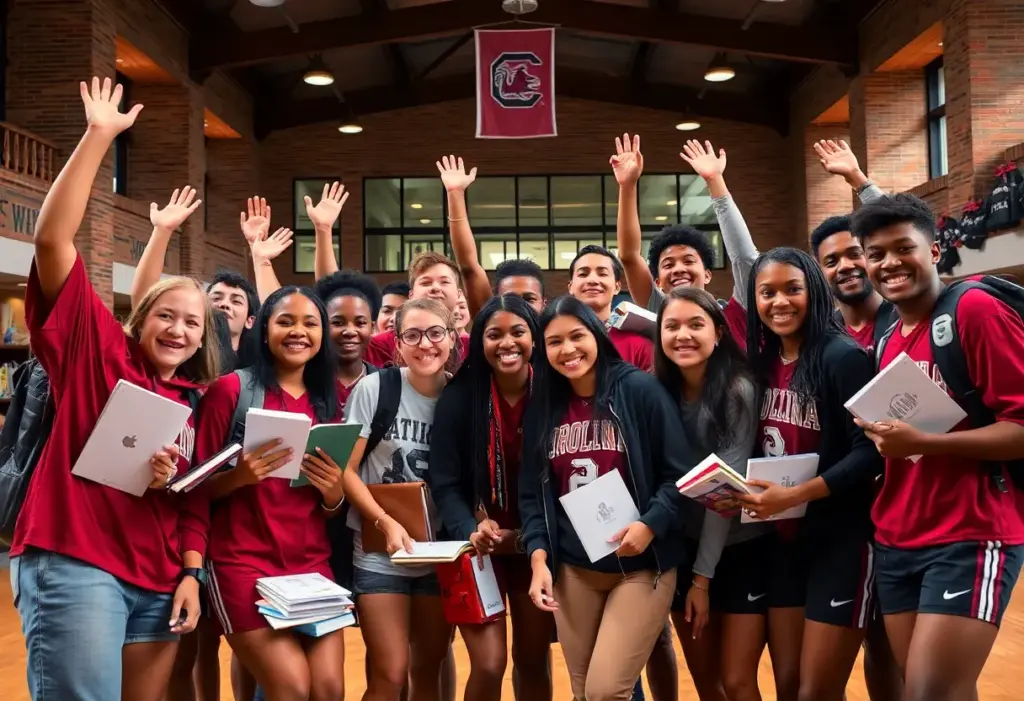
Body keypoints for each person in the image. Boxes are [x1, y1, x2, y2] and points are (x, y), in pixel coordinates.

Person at [10, 76, 218, 701]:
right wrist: (99, 137)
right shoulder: (96, 352)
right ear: (138, 319)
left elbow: (191, 504)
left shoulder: (194, 401)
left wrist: (189, 572)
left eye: (192, 323)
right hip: (76, 558)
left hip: (158, 579)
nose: (178, 330)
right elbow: (51, 241)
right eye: (166, 315)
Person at [851, 193, 1024, 701]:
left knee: (930, 691)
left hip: (971, 533)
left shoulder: (974, 309)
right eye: (876, 254)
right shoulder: (888, 336)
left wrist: (922, 441)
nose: (889, 263)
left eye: (903, 248)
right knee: (932, 691)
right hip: (899, 536)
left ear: (934, 250)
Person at [519, 295, 692, 701]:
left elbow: (680, 476)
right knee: (583, 694)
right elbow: (532, 494)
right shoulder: (543, 407)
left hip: (640, 565)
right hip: (574, 569)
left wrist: (651, 524)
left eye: (577, 336)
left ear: (597, 334)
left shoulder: (640, 390)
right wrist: (539, 557)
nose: (568, 349)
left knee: (605, 692)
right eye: (554, 341)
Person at [733, 247, 882, 701]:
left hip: (840, 543)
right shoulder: (759, 364)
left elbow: (871, 453)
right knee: (789, 686)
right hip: (780, 544)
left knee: (816, 691)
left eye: (792, 289)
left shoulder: (844, 358)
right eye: (767, 292)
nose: (780, 302)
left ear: (813, 291)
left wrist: (798, 494)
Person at [198, 285, 346, 701]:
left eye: (310, 323)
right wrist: (238, 476)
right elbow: (191, 490)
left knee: (330, 688)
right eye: (285, 321)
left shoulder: (327, 404)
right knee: (292, 688)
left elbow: (329, 507)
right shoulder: (231, 390)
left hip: (310, 566)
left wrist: (333, 493)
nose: (298, 332)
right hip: (241, 564)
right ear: (263, 331)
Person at [810, 137, 903, 701]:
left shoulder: (899, 317)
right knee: (851, 644)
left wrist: (860, 182)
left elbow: (897, 234)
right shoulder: (829, 341)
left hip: (909, 502)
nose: (847, 266)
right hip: (851, 510)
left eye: (855, 254)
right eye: (833, 261)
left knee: (888, 646)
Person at [429, 294, 556, 701]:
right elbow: (444, 483)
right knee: (488, 664)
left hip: (536, 545)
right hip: (477, 548)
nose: (507, 343)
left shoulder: (555, 393)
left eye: (518, 331)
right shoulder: (460, 396)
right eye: (494, 334)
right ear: (478, 342)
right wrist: (470, 528)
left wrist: (531, 538)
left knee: (533, 658)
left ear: (534, 337)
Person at [342, 298, 460, 701]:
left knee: (428, 670)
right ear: (397, 343)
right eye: (412, 335)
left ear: (451, 338)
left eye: (434, 333)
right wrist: (383, 521)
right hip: (380, 552)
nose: (424, 344)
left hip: (439, 553)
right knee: (390, 673)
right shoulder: (376, 388)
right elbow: (346, 470)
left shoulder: (461, 397)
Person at [653, 287, 766, 701]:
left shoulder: (738, 389)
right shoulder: (656, 392)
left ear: (718, 332)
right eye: (672, 326)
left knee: (737, 683)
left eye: (696, 324)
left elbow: (724, 495)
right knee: (707, 685)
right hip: (683, 548)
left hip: (740, 549)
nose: (683, 335)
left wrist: (703, 579)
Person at [612, 135, 757, 349]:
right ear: (658, 282)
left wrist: (714, 180)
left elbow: (745, 258)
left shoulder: (734, 316)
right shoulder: (657, 314)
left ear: (707, 274)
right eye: (668, 265)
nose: (679, 269)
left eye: (689, 261)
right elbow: (629, 256)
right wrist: (627, 186)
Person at [437, 155, 546, 316]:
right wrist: (455, 193)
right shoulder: (489, 321)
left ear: (544, 303)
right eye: (510, 299)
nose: (520, 307)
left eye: (529, 299)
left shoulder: (556, 335)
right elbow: (468, 268)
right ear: (495, 300)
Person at [567, 244, 653, 371]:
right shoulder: (557, 340)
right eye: (583, 274)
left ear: (617, 287)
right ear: (570, 287)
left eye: (602, 274)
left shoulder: (639, 345)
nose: (592, 280)